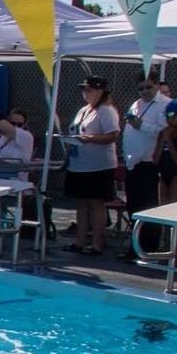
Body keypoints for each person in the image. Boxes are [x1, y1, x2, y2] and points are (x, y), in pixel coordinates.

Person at [62, 76, 121, 256]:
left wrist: (89, 139)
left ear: (99, 91)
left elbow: (113, 135)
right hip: (79, 164)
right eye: (83, 89)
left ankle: (97, 243)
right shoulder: (83, 110)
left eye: (89, 89)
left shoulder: (106, 111)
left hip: (98, 166)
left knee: (96, 202)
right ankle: (80, 241)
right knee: (81, 202)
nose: (85, 93)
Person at [120, 72, 170, 259]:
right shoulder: (137, 104)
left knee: (149, 207)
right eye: (141, 88)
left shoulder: (164, 104)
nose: (145, 91)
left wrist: (142, 126)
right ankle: (136, 247)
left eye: (149, 87)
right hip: (133, 163)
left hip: (150, 163)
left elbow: (166, 132)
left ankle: (149, 248)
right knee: (133, 206)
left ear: (157, 85)